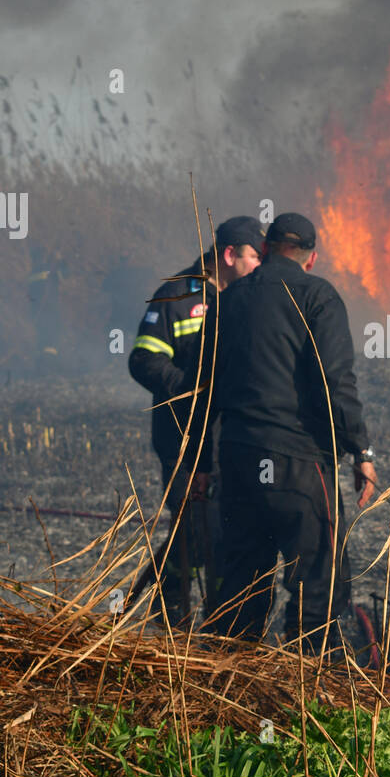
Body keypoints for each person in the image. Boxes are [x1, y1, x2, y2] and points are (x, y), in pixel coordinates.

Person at [206, 212, 378, 654]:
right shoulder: (318, 296)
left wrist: (201, 464)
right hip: (300, 466)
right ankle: (307, 691)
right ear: (312, 258)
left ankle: (227, 691)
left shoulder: (230, 299)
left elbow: (208, 385)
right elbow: (336, 380)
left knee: (241, 584)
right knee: (317, 585)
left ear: (264, 250)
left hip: (240, 460)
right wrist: (361, 450)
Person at [128, 216, 264, 626]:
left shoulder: (249, 299)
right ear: (229, 255)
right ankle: (168, 606)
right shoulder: (176, 296)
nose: (261, 265)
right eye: (255, 256)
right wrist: (189, 389)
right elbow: (143, 359)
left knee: (225, 532)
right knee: (198, 530)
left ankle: (212, 622)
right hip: (184, 441)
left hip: (232, 440)